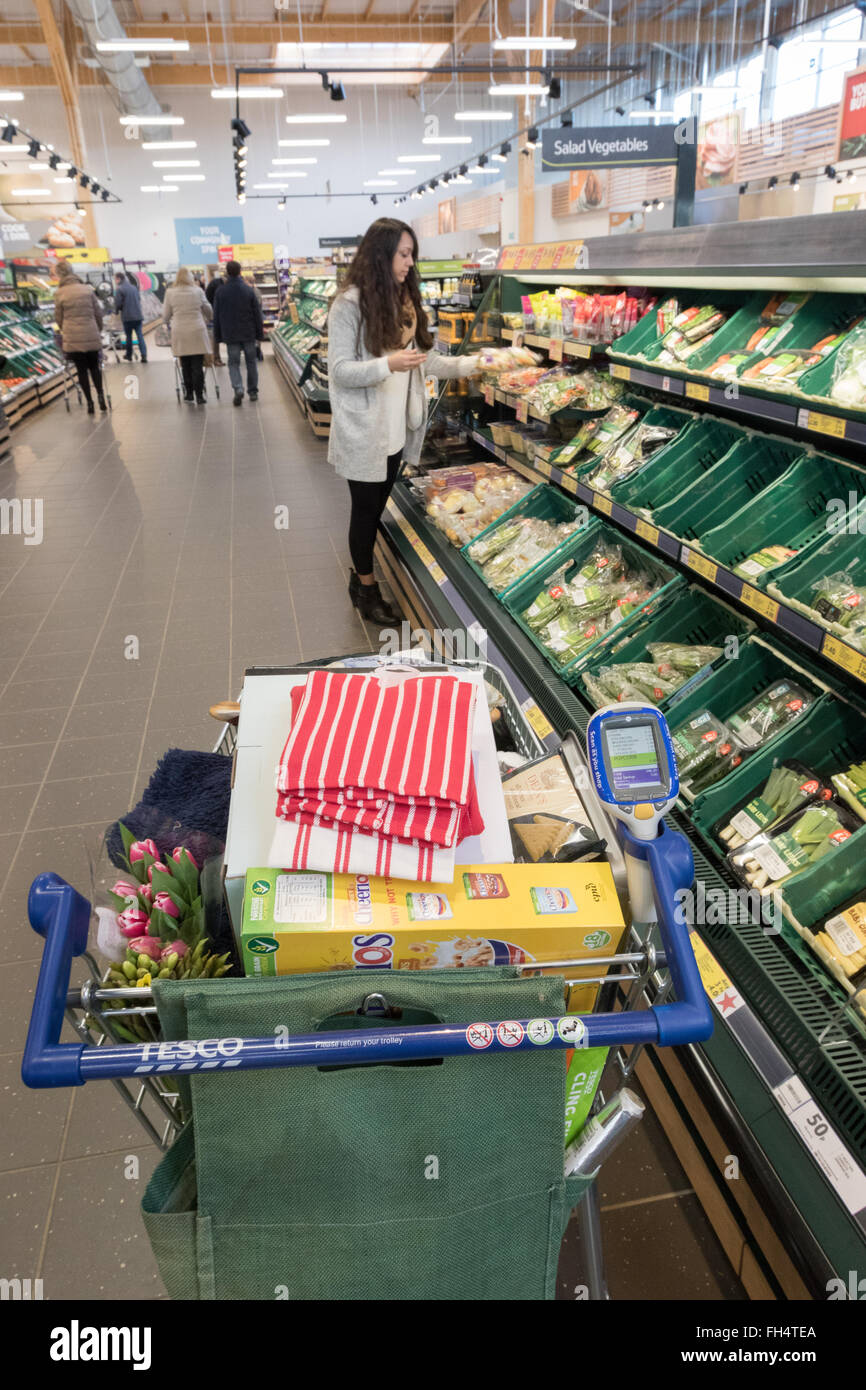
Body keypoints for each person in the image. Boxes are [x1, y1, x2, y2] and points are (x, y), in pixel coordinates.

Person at [327, 218, 479, 625]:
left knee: (375, 511)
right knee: (365, 513)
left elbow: (426, 361)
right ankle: (366, 588)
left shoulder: (404, 305)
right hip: (365, 433)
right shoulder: (349, 305)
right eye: (404, 254)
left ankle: (361, 579)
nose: (410, 263)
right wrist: (387, 364)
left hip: (396, 431)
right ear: (381, 255)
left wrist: (477, 362)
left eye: (413, 254)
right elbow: (339, 371)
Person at [54, 259, 106, 414]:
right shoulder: (87, 289)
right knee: (94, 367)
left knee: (81, 370)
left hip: (73, 338)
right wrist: (98, 329)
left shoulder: (59, 293)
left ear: (59, 275)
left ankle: (89, 403)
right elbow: (98, 313)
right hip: (91, 333)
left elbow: (59, 318)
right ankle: (101, 397)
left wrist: (66, 330)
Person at [213, 260, 264, 407]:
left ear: (227, 273)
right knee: (251, 362)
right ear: (240, 272)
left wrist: (218, 336)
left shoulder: (221, 291)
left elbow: (216, 316)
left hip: (231, 334)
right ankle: (253, 391)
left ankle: (238, 388)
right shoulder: (249, 290)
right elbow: (257, 314)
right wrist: (259, 334)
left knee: (233, 363)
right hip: (248, 333)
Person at [161, 265, 213, 405]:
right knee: (197, 364)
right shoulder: (197, 291)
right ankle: (200, 395)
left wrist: (166, 322)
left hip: (180, 331)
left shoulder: (170, 293)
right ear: (190, 278)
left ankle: (189, 394)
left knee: (185, 363)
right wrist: (209, 317)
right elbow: (207, 308)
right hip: (197, 329)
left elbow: (165, 315)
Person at [114, 271, 147, 363]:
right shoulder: (134, 287)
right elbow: (139, 299)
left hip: (127, 317)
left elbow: (118, 303)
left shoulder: (120, 289)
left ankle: (129, 355)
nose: (115, 281)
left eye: (115, 279)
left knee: (129, 337)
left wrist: (116, 311)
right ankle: (144, 355)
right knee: (140, 336)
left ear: (119, 279)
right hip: (138, 316)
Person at [205, 271, 225, 364]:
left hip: (224, 312)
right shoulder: (215, 283)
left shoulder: (228, 284)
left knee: (220, 336)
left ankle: (220, 358)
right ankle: (216, 358)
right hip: (216, 312)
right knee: (216, 336)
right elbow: (207, 296)